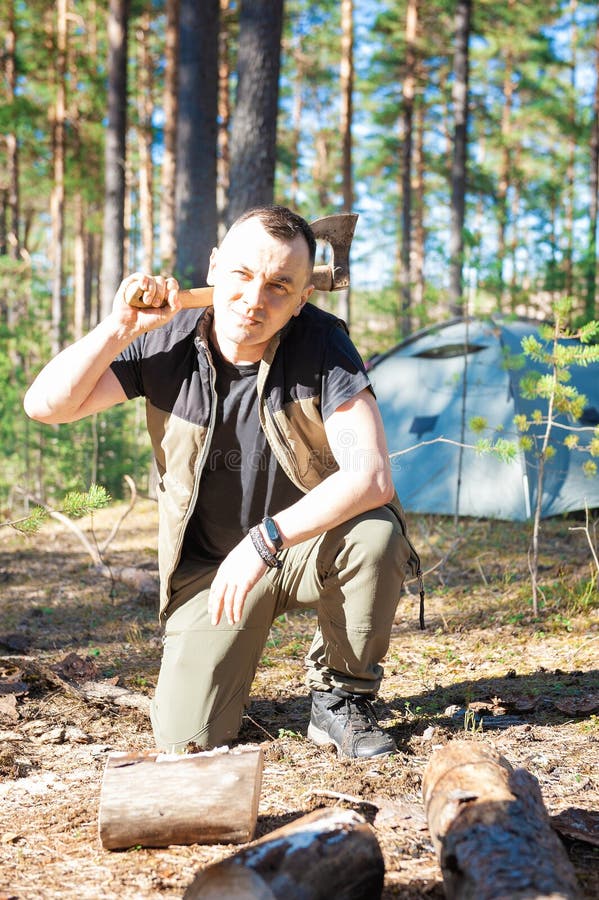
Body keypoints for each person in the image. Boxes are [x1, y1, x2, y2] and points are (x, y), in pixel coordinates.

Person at [24, 205, 420, 759]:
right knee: (188, 741)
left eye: (280, 285)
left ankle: (342, 696)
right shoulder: (163, 341)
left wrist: (265, 539)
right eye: (242, 274)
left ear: (304, 295)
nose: (255, 299)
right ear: (213, 267)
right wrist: (119, 329)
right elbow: (44, 406)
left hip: (301, 546)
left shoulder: (322, 343)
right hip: (210, 573)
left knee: (375, 534)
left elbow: (372, 475)